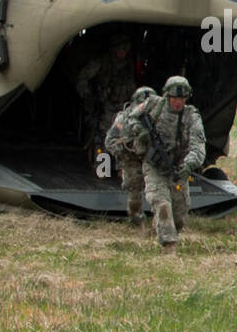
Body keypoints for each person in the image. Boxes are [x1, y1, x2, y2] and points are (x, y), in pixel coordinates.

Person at [127, 76, 206, 252]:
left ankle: (166, 229)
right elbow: (131, 117)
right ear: (167, 96)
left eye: (182, 99)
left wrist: (189, 164)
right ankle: (169, 248)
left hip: (178, 168)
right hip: (153, 165)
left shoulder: (191, 116)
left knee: (179, 217)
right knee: (162, 204)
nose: (178, 103)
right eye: (175, 98)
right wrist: (140, 131)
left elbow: (198, 146)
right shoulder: (153, 105)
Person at [74, 36, 137, 162]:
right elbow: (82, 77)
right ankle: (103, 168)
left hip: (124, 106)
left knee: (125, 136)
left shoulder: (128, 65)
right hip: (106, 106)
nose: (123, 53)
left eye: (125, 50)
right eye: (121, 49)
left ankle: (120, 168)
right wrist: (88, 97)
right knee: (104, 136)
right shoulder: (102, 62)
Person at [104, 86, 156, 225]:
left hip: (152, 158)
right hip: (131, 159)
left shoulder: (160, 118)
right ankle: (136, 218)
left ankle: (160, 218)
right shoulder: (124, 118)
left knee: (158, 188)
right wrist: (123, 153)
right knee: (134, 190)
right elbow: (110, 141)